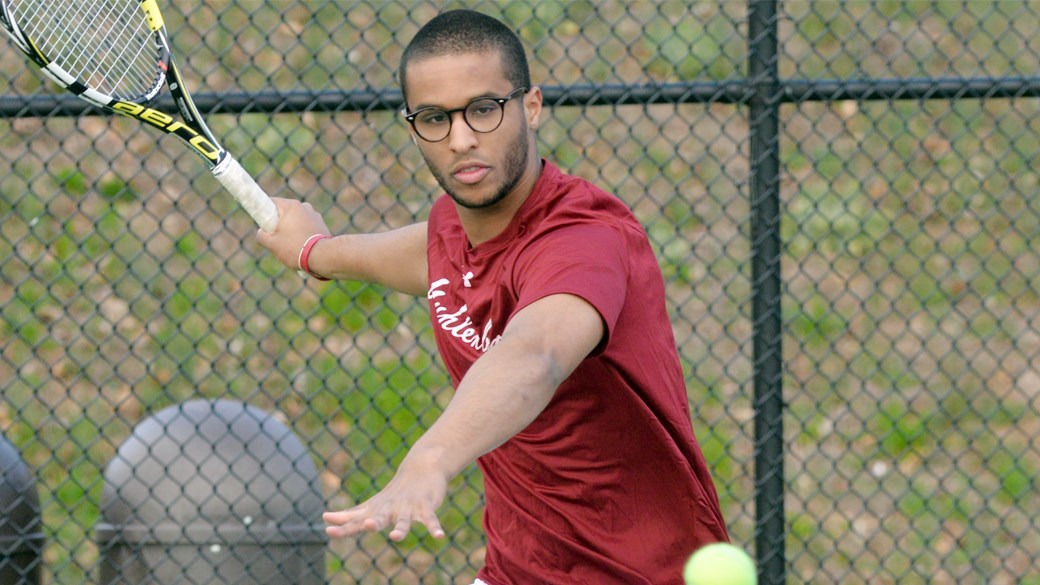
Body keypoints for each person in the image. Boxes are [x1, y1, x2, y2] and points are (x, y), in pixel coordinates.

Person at [257, 9, 729, 584]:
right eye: (435, 118)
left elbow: (536, 355)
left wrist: (430, 460)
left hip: (638, 573)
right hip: (518, 570)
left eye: (484, 109)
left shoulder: (586, 239)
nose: (461, 139)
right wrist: (315, 252)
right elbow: (428, 255)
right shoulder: (453, 230)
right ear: (413, 129)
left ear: (531, 106)